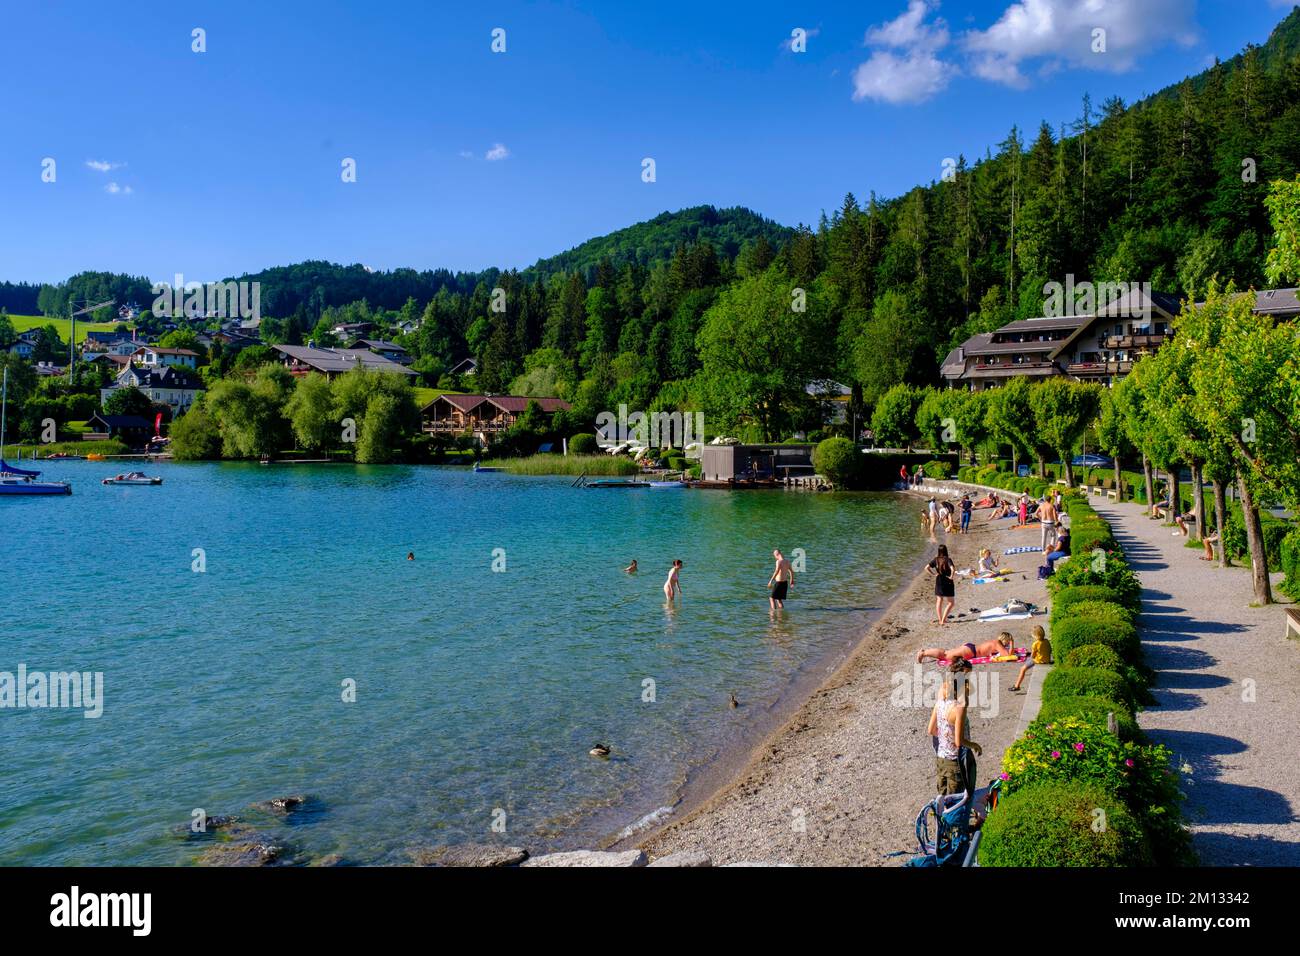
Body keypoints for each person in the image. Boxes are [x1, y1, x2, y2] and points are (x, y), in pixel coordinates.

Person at [927, 658, 970, 796]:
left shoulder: (941, 701)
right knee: (954, 799)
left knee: (942, 795)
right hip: (954, 758)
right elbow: (959, 741)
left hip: (941, 755)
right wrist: (973, 745)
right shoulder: (959, 707)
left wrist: (944, 737)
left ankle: (940, 816)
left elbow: (931, 730)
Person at [917, 634, 1014, 664]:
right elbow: (1008, 656)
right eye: (1008, 642)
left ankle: (925, 652)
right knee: (945, 655)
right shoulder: (997, 644)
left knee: (946, 653)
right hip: (971, 651)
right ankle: (923, 653)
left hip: (970, 648)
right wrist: (1012, 643)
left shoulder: (995, 642)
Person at [1011, 625, 1051, 692]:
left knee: (1022, 668)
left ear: (1035, 635)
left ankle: (1017, 685)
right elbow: (1050, 650)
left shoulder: (1035, 644)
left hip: (1038, 660)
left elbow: (1032, 656)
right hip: (1047, 659)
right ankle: (1016, 685)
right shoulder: (1046, 641)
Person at [925, 545, 956, 627]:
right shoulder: (948, 560)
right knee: (951, 602)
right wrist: (951, 577)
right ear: (946, 551)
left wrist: (933, 574)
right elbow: (953, 569)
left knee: (939, 600)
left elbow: (926, 568)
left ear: (938, 551)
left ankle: (940, 620)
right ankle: (944, 619)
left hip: (939, 580)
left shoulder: (935, 560)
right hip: (948, 581)